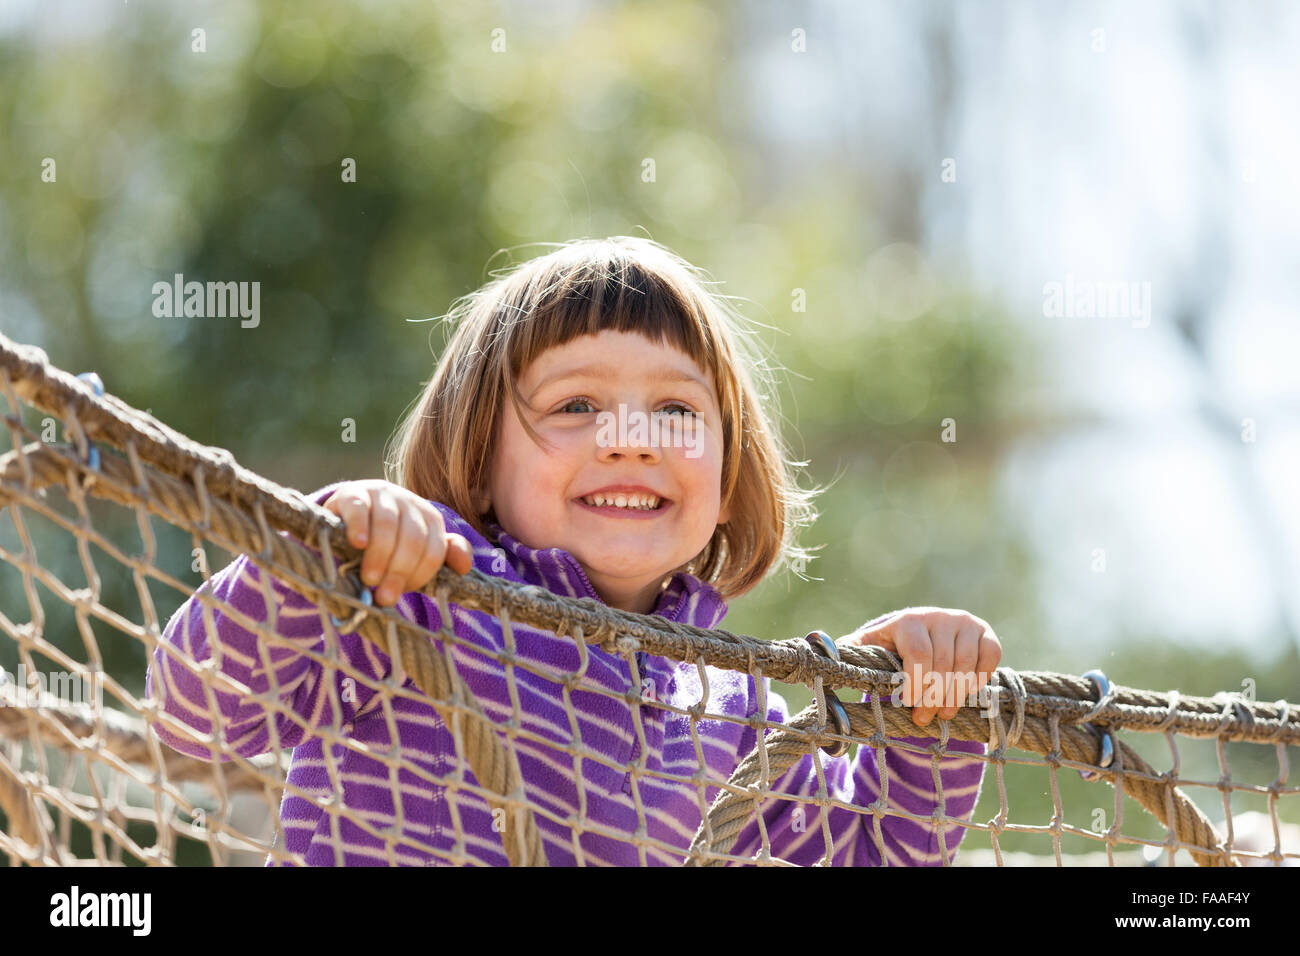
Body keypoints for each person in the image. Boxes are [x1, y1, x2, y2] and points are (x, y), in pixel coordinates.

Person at [146, 236, 1002, 866]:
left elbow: (872, 858)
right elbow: (196, 714)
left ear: (729, 466)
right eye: (576, 406)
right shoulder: (411, 603)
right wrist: (322, 553)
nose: (630, 438)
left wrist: (926, 715)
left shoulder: (737, 711)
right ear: (479, 461)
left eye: (675, 410)